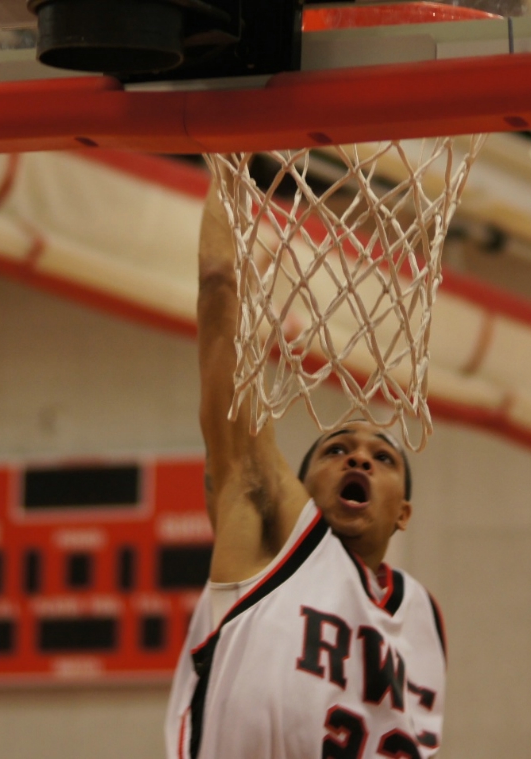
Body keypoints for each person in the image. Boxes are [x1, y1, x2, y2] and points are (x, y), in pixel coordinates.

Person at [164, 178, 447, 759]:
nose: (361, 456)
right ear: (302, 487)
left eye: (383, 457)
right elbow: (219, 284)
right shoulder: (269, 524)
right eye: (336, 449)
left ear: (404, 514)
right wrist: (230, 158)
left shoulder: (423, 616)